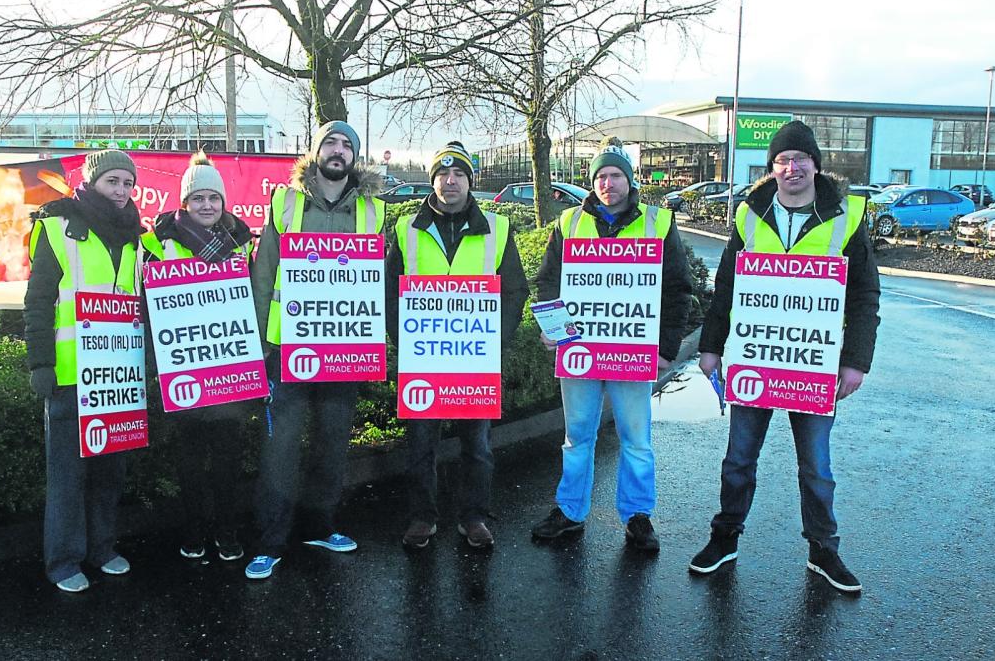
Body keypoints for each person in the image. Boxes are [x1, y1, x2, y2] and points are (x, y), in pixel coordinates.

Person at [688, 121, 880, 594]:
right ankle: (725, 537)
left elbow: (864, 296)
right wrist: (710, 347)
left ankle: (823, 550)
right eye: (782, 161)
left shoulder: (846, 216)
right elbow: (726, 288)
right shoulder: (749, 215)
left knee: (816, 465)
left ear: (816, 164)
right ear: (771, 168)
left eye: (800, 159)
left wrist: (855, 361)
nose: (791, 168)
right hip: (757, 360)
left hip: (814, 363)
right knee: (738, 459)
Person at [531, 136, 692, 551]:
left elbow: (677, 289)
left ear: (629, 179)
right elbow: (549, 280)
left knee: (636, 438)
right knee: (577, 435)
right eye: (600, 176)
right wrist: (552, 326)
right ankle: (570, 511)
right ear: (592, 181)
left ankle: (638, 516)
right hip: (580, 351)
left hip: (632, 352)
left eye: (615, 175)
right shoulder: (569, 222)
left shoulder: (659, 222)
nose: (607, 183)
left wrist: (666, 348)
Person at [246, 121, 385, 580]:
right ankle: (270, 541)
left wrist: (373, 344)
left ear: (355, 157)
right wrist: (261, 343)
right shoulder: (284, 203)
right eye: (331, 142)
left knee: (332, 444)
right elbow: (264, 273)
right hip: (288, 348)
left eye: (347, 144)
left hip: (344, 349)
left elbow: (377, 284)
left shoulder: (372, 211)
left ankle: (318, 525)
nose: (339, 150)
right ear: (315, 151)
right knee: (280, 448)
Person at [384, 141, 529, 549]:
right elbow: (390, 292)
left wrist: (493, 340)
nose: (450, 181)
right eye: (443, 175)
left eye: (459, 174)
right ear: (432, 180)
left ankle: (474, 517)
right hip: (423, 359)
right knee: (420, 444)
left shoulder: (498, 229)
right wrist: (404, 340)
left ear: (470, 180)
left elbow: (515, 291)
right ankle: (422, 518)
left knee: (478, 445)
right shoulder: (405, 228)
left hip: (475, 360)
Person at [24, 149, 144, 593]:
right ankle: (64, 561)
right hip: (71, 375)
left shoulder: (136, 236)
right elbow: (37, 301)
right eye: (112, 181)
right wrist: (41, 362)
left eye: (127, 183)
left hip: (117, 375)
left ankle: (102, 549)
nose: (120, 191)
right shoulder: (57, 227)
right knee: (68, 475)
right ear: (93, 182)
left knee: (110, 471)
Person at [140, 151, 255, 563]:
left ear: (224, 203)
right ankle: (193, 531)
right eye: (198, 198)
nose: (207, 205)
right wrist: (157, 362)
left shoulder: (242, 245)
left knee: (227, 458)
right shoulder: (156, 245)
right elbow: (145, 306)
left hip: (230, 371)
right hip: (182, 372)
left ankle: (226, 530)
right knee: (188, 459)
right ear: (184, 203)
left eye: (214, 198)